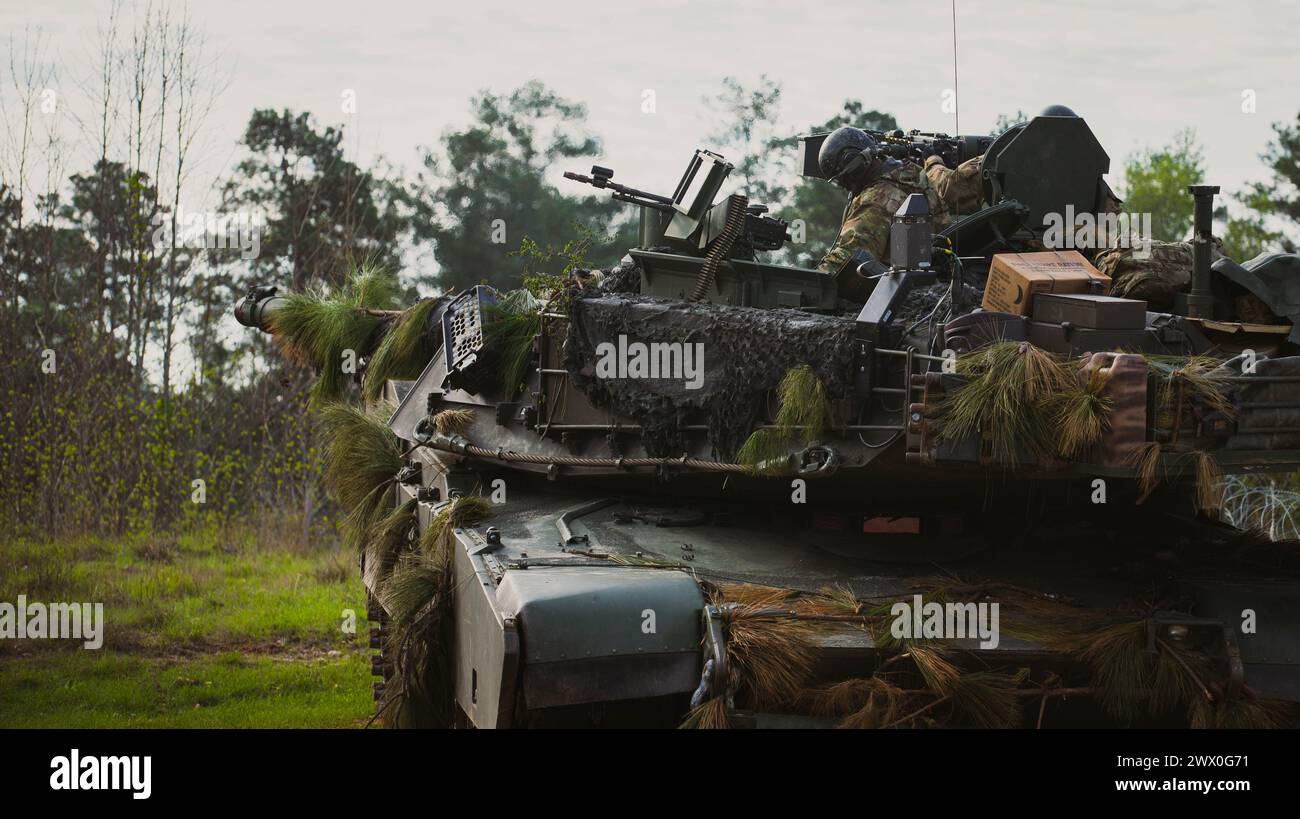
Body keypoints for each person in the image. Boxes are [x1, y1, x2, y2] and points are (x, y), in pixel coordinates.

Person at [817, 126, 947, 273]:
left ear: (854, 165)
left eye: (842, 179)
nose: (843, 186)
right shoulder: (913, 175)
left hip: (905, 290)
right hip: (937, 278)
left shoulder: (877, 199)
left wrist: (812, 278)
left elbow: (850, 255)